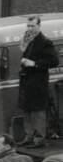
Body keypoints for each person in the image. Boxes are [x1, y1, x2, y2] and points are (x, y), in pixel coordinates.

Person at [18, 14, 58, 147]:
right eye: (28, 26)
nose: (29, 28)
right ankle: (29, 136)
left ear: (39, 26)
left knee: (38, 111)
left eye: (32, 26)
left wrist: (34, 63)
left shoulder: (45, 42)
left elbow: (54, 61)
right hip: (27, 81)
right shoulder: (28, 39)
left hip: (38, 83)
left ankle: (39, 139)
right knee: (27, 109)